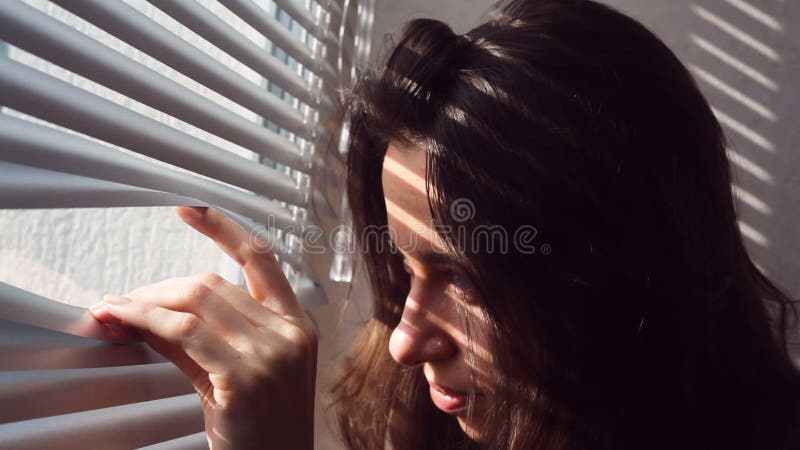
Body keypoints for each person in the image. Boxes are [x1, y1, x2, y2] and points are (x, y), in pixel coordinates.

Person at [89, 0, 800, 449]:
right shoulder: (429, 428)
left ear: (630, 269)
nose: (404, 342)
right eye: (404, 268)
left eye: (464, 277)